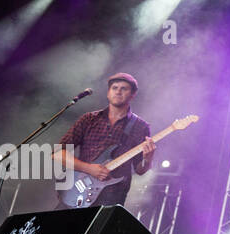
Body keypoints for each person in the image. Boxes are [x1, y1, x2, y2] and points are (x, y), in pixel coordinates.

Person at [53, 73, 156, 207]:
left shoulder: (140, 127)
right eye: (114, 88)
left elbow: (140, 170)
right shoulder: (89, 119)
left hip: (111, 196)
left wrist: (148, 159)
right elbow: (58, 153)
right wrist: (89, 168)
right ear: (108, 92)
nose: (118, 91)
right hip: (77, 188)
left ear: (133, 94)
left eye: (124, 88)